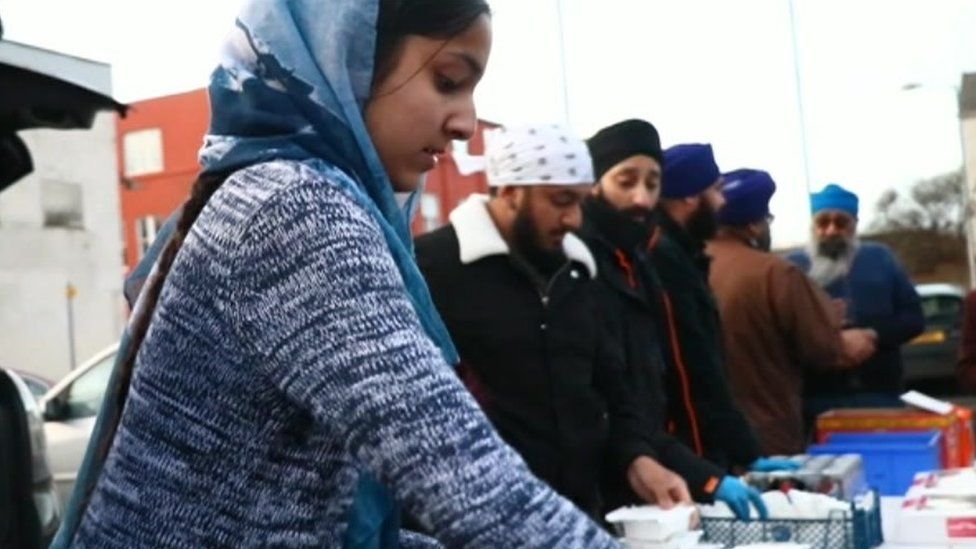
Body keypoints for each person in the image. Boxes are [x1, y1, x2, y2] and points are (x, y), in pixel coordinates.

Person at [66, 1, 621, 547]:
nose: (466, 123)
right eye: (448, 80)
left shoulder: (275, 191)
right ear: (349, 60)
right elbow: (467, 483)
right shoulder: (294, 207)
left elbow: (312, 514)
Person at [415, 124, 691, 519]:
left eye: (579, 201)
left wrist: (638, 459)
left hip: (577, 516)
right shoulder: (432, 267)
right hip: (480, 523)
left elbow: (610, 389)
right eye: (562, 201)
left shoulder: (577, 271)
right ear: (510, 192)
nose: (574, 219)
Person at [578, 121, 770, 521]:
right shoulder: (622, 261)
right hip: (629, 480)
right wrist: (709, 470)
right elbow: (687, 378)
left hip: (658, 462)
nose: (642, 198)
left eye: (652, 183)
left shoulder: (643, 259)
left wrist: (728, 460)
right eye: (626, 181)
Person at [706, 168, 872, 455]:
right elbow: (824, 350)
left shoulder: (680, 264)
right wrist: (855, 338)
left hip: (699, 440)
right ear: (755, 225)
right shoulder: (776, 273)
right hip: (766, 435)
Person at [652, 144, 789, 480]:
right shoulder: (664, 258)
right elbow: (691, 369)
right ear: (689, 197)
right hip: (688, 453)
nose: (721, 202)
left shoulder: (685, 255)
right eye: (714, 190)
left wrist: (746, 452)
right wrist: (708, 474)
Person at [787, 184, 924, 415]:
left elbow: (914, 319)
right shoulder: (792, 268)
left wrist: (872, 334)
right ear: (813, 225)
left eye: (841, 222)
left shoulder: (881, 259)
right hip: (815, 399)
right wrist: (831, 341)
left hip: (879, 395)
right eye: (823, 222)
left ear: (854, 225)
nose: (831, 230)